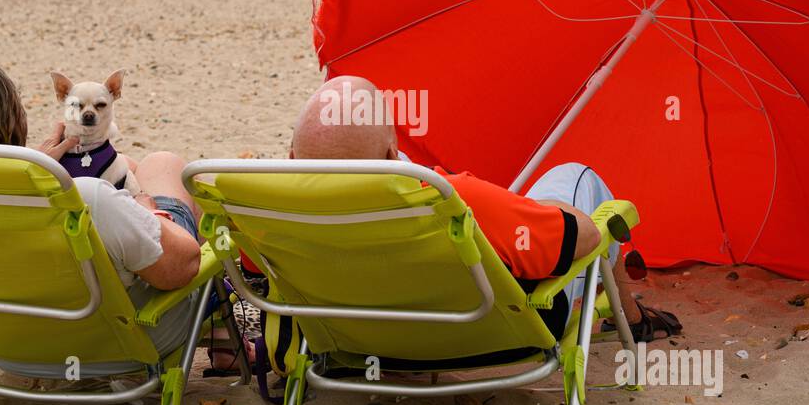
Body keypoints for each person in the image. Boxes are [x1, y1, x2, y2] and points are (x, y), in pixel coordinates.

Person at [288, 75, 679, 339]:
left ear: (291, 157)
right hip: (490, 333)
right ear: (393, 152)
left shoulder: (266, 213)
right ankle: (630, 319)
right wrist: (522, 209)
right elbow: (586, 237)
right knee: (579, 178)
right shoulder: (451, 198)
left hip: (351, 336)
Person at [0, 51, 204, 357]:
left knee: (127, 164)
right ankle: (219, 328)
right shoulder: (84, 198)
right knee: (164, 164)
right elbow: (185, 266)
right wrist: (148, 212)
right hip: (116, 342)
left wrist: (34, 171)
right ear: (12, 119)